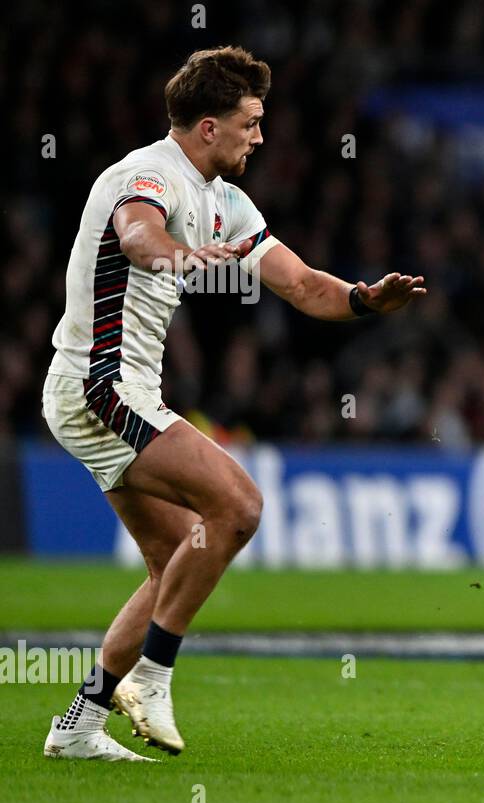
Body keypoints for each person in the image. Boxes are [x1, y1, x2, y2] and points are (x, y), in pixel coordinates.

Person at [42, 46, 426, 761]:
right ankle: (152, 675)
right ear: (208, 127)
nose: (260, 136)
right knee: (240, 506)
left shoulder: (226, 201)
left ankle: (79, 723)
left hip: (124, 391)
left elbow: (303, 284)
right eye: (250, 122)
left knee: (176, 557)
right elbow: (137, 234)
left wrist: (367, 299)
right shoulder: (150, 173)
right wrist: (178, 258)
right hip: (99, 387)